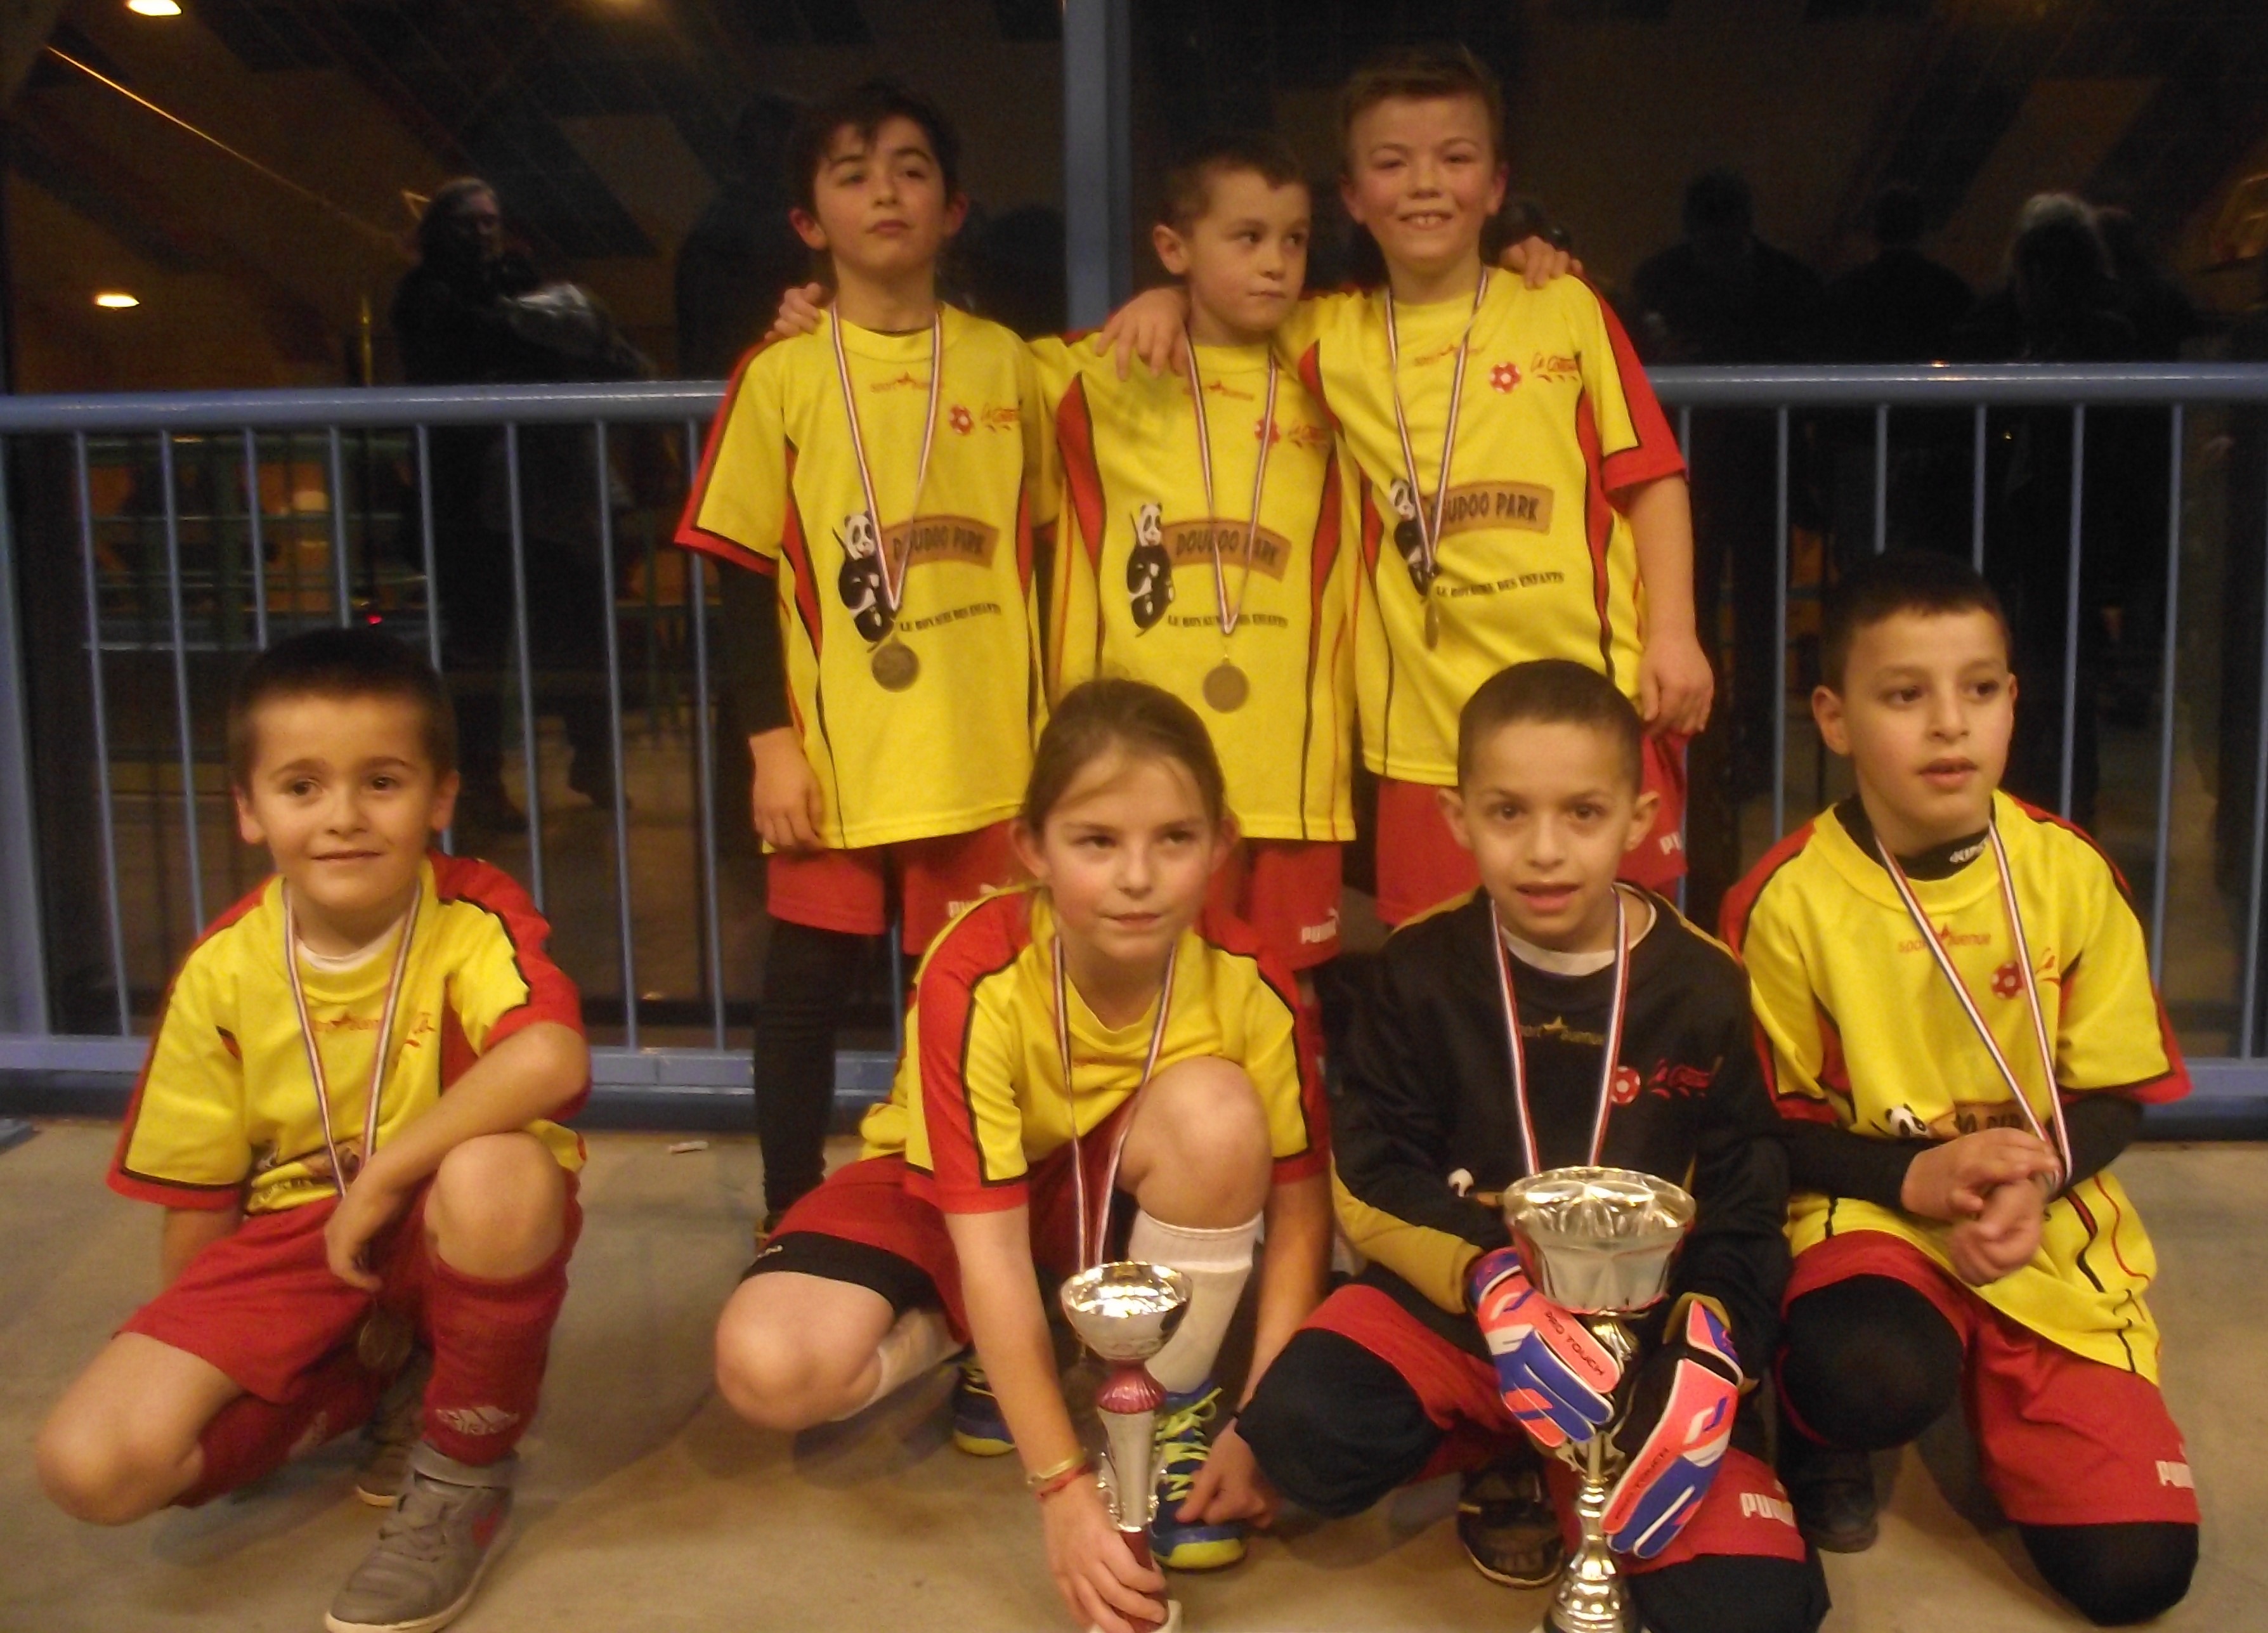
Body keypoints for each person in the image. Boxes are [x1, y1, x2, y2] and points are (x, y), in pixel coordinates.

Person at [712, 680, 1333, 1629]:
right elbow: (988, 1245)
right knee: (768, 1367)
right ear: (1032, 848)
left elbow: (1298, 1221)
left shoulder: (1252, 979)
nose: (1138, 875)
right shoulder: (976, 965)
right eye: (1097, 840)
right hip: (958, 1204)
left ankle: (1169, 1405)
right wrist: (1060, 1488)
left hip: (1123, 1198)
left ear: (1221, 844)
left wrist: (1264, 1421)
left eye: (1174, 837)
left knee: (1216, 1111)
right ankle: (996, 1341)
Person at [1237, 660, 1827, 1633]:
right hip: (1473, 1305)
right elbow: (1374, 1174)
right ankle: (1503, 1438)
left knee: (1753, 1610)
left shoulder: (1704, 984)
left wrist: (1716, 1340)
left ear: (1638, 818)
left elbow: (1746, 1193)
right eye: (1509, 813)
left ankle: (1578, 1463)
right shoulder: (1418, 968)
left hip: (1644, 1334)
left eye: (1582, 814)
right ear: (1457, 816)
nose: (1545, 850)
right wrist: (1494, 1285)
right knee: (1298, 1433)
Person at [33, 627, 589, 1633]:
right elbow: (197, 1196)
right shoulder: (223, 968)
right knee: (92, 1466)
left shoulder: (474, 913)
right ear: (250, 809)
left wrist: (383, 1180)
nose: (343, 817)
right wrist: (219, 1350)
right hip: (296, 1234)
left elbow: (552, 1057)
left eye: (382, 782)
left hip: (437, 1209)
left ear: (441, 798)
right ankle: (361, 1380)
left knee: (501, 1170)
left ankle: (462, 1464)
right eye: (302, 787)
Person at [1100, 44, 1711, 928]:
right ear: (1351, 196)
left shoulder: (1563, 308)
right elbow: (1227, 301)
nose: (1426, 184)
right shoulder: (1321, 333)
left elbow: (1650, 475)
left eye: (1455, 159)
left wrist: (1677, 633)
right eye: (1392, 164)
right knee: (1437, 977)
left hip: (1592, 703)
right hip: (1429, 739)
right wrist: (1167, 296)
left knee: (1614, 960)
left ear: (1496, 186)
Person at [1721, 552, 2198, 1625]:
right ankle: (1816, 1430)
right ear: (1834, 719)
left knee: (2137, 1577)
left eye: (1978, 689)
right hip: (1872, 1209)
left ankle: (2019, 1389)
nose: (1950, 725)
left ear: (2012, 701)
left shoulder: (2070, 873)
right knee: (1873, 1377)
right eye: (1906, 695)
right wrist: (1919, 1176)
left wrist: (2040, 1178)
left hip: (2045, 1215)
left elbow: (2118, 1090)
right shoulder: (1786, 903)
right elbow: (1764, 1130)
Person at [675, 82, 1048, 1237]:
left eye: (909, 167)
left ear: (953, 209)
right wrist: (769, 743)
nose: (883, 190)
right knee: (805, 1000)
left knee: (986, 996)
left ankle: (985, 1208)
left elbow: (1045, 550)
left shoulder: (1010, 368)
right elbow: (742, 572)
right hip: (837, 754)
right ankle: (789, 1217)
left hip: (986, 748)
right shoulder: (779, 377)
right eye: (850, 173)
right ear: (808, 224)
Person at [1039, 134, 1353, 992]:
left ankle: (1291, 1134)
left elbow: (1443, 314)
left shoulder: (1337, 365)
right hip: (1136, 776)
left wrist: (1528, 248)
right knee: (1147, 988)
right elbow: (940, 364)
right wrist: (809, 317)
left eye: (1293, 239)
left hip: (1291, 767)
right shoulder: (1092, 375)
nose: (1276, 263)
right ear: (1174, 248)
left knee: (1290, 999)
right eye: (1246, 238)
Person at [393, 178, 648, 831]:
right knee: (482, 652)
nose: (483, 233)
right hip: (475, 505)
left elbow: (613, 365)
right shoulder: (431, 299)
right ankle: (477, 782)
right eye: (468, 221)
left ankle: (591, 760)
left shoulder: (523, 291)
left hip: (553, 495)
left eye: (491, 220)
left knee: (579, 636)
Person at [1629, 168, 1822, 920]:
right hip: (1695, 479)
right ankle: (1723, 755)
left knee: (1758, 620)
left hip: (1744, 473)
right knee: (1703, 630)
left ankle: (1748, 752)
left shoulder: (1668, 277)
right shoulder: (1778, 278)